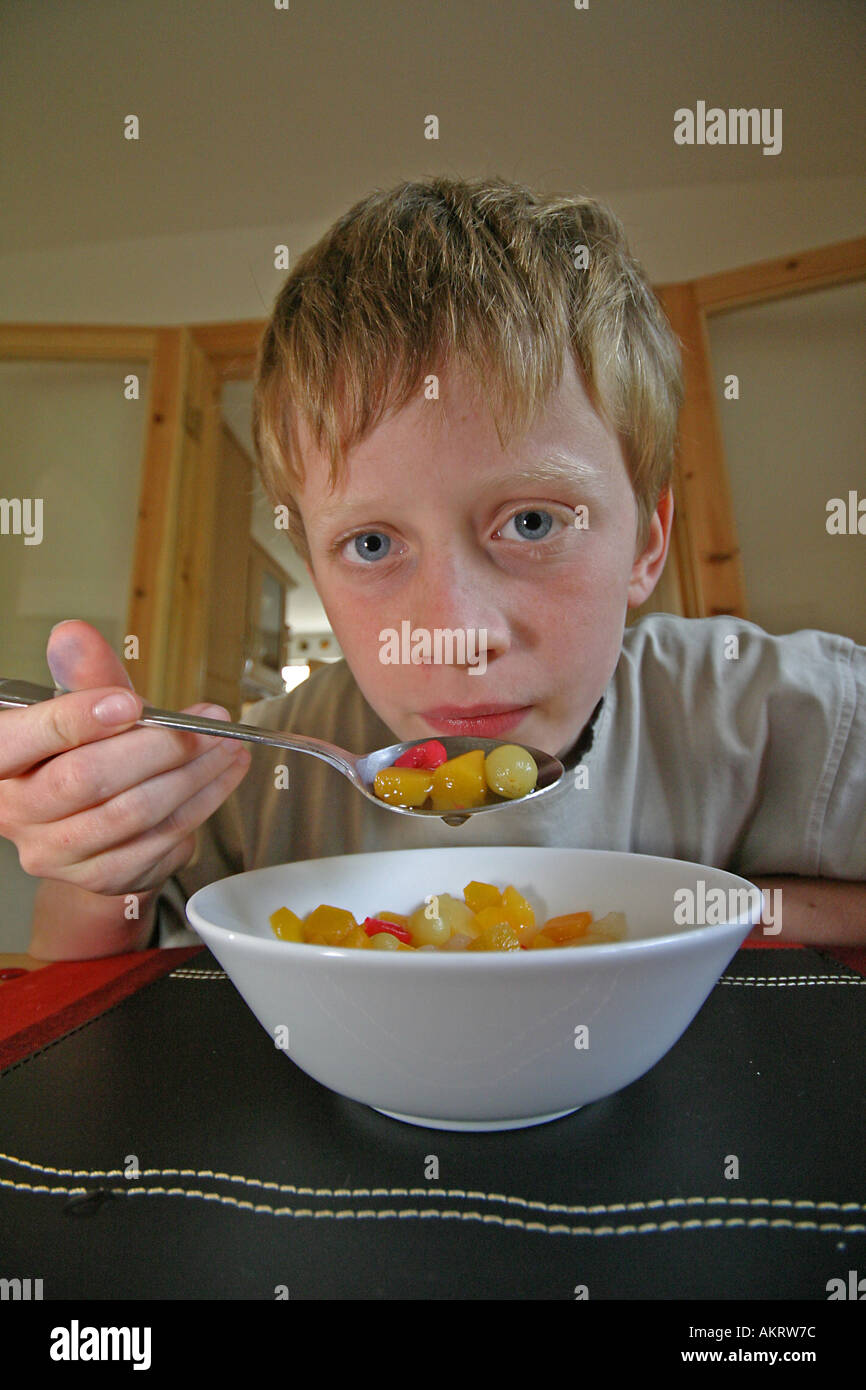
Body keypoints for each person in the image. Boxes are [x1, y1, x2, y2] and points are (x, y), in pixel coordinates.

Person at [2, 175, 864, 959]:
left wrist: (733, 913)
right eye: (372, 544)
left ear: (647, 540)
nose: (451, 637)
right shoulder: (255, 787)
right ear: (315, 563)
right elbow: (88, 980)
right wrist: (99, 864)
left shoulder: (775, 713)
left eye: (531, 522)